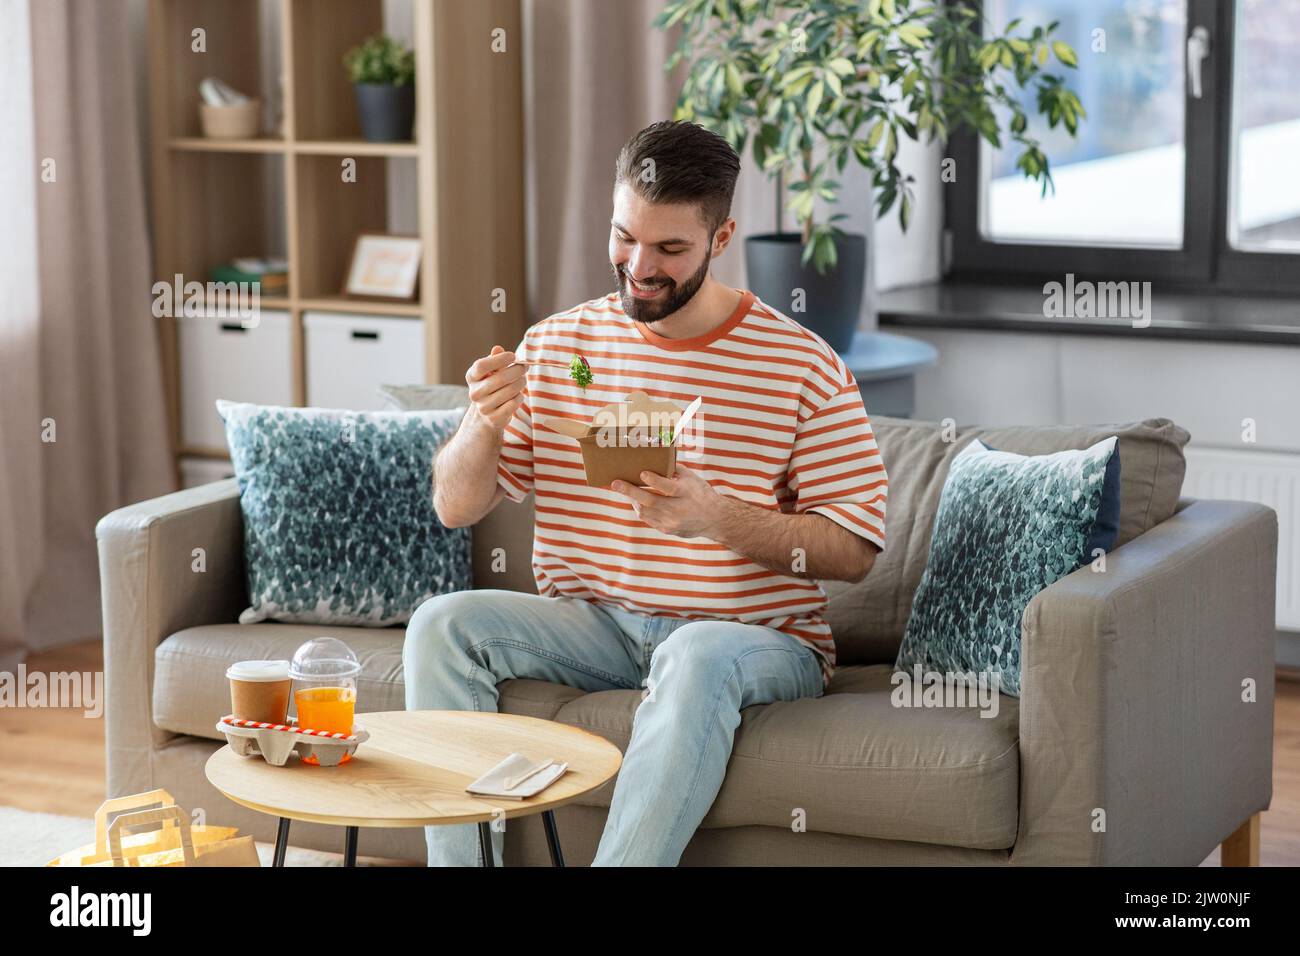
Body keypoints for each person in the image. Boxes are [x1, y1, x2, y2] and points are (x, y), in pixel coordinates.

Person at [404, 119, 888, 866]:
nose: (639, 266)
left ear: (722, 238)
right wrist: (481, 423)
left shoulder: (801, 366)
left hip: (752, 642)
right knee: (441, 625)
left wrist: (716, 517)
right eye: (625, 238)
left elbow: (854, 551)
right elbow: (454, 507)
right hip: (595, 627)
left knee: (694, 654)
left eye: (670, 249)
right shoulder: (558, 346)